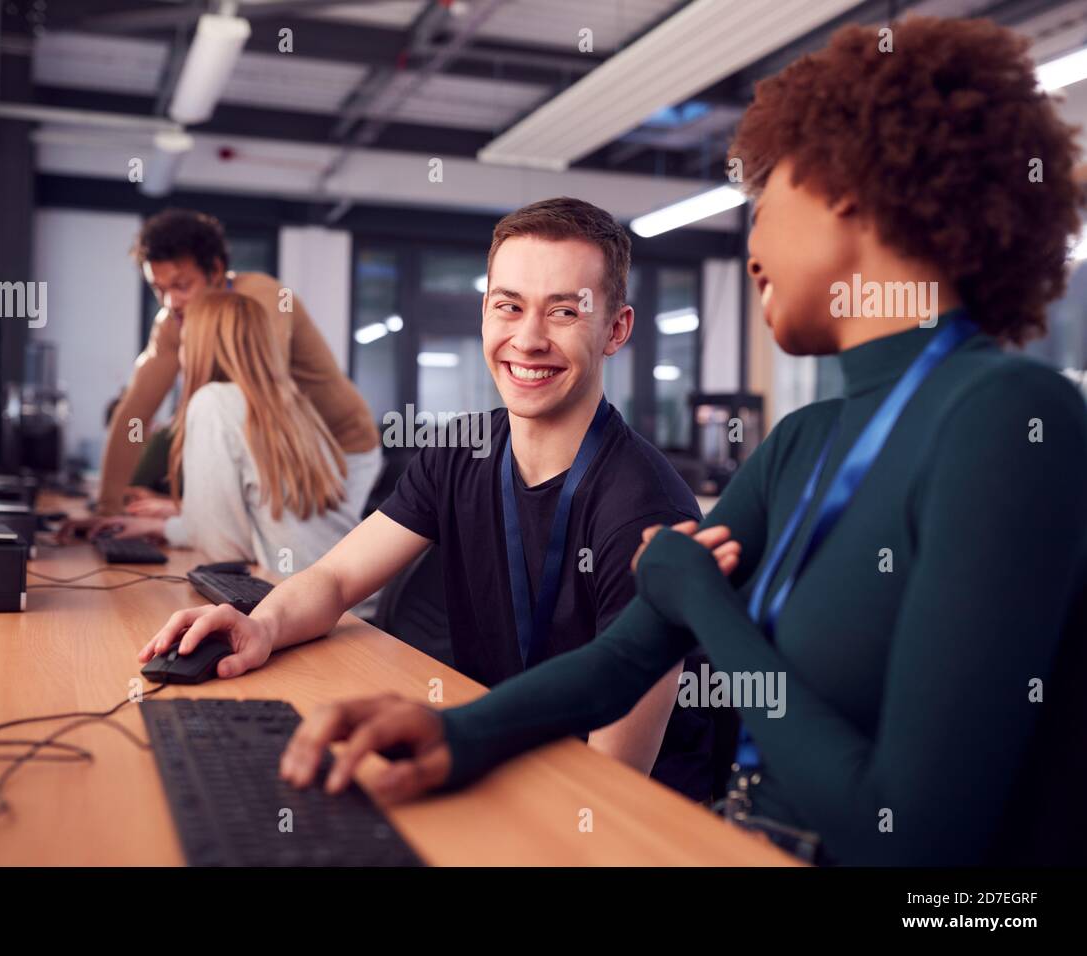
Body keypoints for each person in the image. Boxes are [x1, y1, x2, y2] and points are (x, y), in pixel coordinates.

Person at [277, 17, 1087, 866]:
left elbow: (918, 833)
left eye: (764, 201)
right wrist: (456, 733)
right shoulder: (805, 441)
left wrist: (709, 606)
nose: (751, 250)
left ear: (846, 188)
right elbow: (629, 653)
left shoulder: (1007, 418)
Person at [141, 197, 713, 792]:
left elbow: (611, 783)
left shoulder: (646, 510)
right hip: (488, 752)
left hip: (612, 810)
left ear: (615, 329)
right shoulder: (458, 453)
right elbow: (336, 580)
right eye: (508, 307)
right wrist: (260, 625)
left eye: (564, 312)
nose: (528, 338)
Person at [90, 209, 381, 521]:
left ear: (216, 270)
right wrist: (108, 511)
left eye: (182, 285)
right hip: (284, 453)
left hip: (341, 449)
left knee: (310, 556)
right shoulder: (173, 321)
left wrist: (189, 510)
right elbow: (134, 411)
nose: (170, 302)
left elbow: (263, 406)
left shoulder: (262, 300)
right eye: (158, 289)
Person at [90, 290, 359, 571]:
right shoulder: (294, 404)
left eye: (183, 343)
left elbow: (227, 550)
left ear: (199, 347)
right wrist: (165, 527)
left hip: (319, 604)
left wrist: (179, 524)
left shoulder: (213, 402)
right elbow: (253, 523)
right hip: (356, 594)